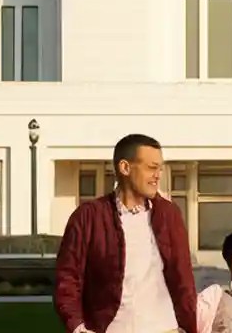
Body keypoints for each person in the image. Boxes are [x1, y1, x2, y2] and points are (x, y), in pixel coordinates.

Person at [54, 133, 197, 333]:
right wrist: (78, 327)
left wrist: (189, 326)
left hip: (165, 327)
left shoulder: (169, 214)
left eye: (160, 169)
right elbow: (68, 278)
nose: (158, 175)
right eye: (151, 168)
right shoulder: (88, 217)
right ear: (125, 168)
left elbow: (183, 277)